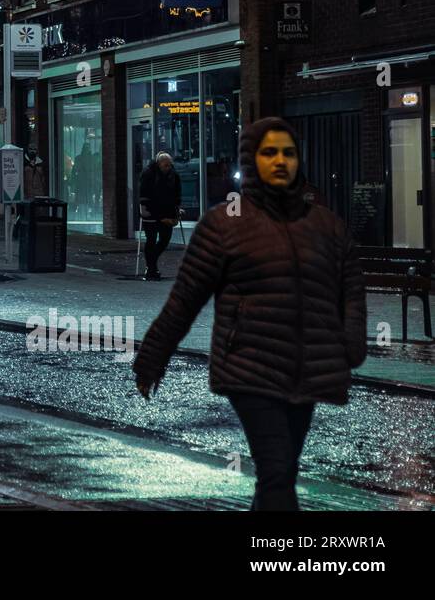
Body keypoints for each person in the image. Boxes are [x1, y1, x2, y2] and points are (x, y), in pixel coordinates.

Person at [132, 118, 367, 511]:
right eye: (268, 152)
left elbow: (351, 288)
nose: (280, 161)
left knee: (283, 471)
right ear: (251, 160)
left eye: (288, 152)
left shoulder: (325, 226)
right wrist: (151, 360)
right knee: (276, 469)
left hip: (308, 369)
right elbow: (185, 299)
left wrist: (351, 340)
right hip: (250, 368)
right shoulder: (225, 225)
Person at [138, 151, 183, 280]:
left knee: (165, 239)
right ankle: (151, 269)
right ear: (158, 164)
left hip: (167, 212)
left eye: (169, 165)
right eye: (165, 165)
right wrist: (157, 215)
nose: (168, 168)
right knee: (151, 239)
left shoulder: (174, 175)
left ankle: (151, 264)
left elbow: (177, 193)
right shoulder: (148, 174)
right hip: (151, 213)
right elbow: (145, 195)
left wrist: (177, 209)